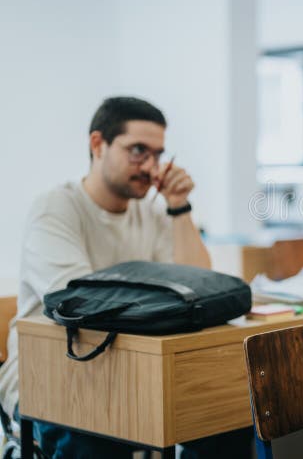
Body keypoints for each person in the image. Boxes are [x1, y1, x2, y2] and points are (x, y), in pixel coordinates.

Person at [0, 97, 252, 458]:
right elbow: (83, 307)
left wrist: (178, 205)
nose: (151, 166)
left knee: (225, 413)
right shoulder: (55, 209)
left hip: (132, 369)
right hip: (51, 372)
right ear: (97, 145)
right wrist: (163, 306)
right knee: (94, 427)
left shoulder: (150, 213)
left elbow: (199, 288)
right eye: (138, 151)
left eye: (158, 154)